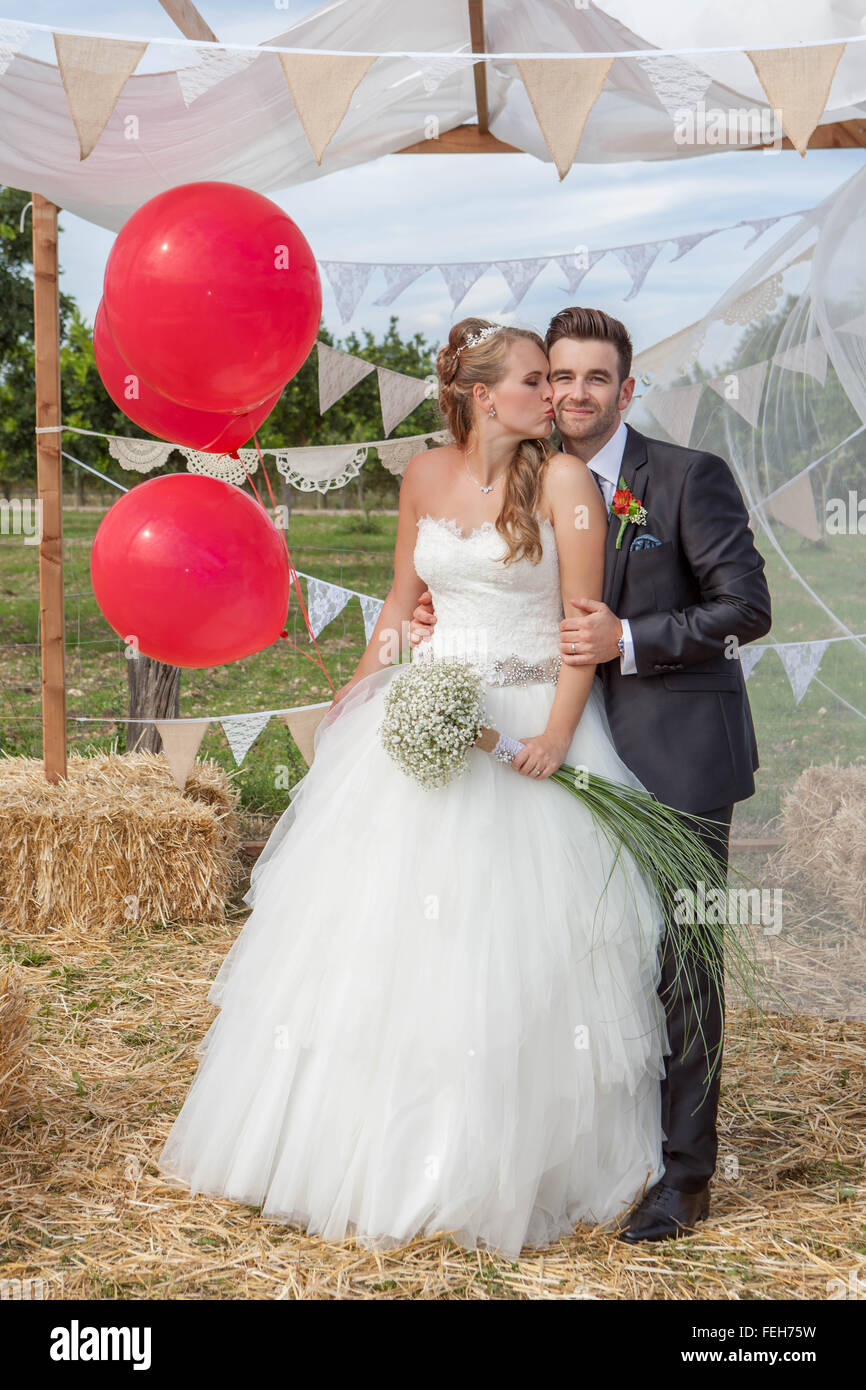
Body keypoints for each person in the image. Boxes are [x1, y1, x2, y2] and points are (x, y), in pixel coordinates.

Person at [157, 317, 675, 1261]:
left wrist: (555, 737)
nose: (552, 397)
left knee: (518, 961)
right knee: (383, 949)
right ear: (483, 395)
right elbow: (402, 602)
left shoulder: (566, 482)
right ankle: (365, 1155)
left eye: (558, 385)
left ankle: (504, 1168)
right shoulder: (426, 475)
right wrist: (357, 695)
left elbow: (582, 624)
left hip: (528, 724)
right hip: (426, 709)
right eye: (533, 381)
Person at [410, 307, 773, 1243]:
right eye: (556, 376)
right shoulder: (532, 471)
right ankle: (580, 1148)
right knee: (571, 957)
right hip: (546, 748)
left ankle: (684, 1177)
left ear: (626, 388)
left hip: (673, 753)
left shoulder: (687, 478)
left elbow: (746, 607)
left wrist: (635, 638)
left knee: (680, 960)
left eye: (593, 379)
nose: (571, 394)